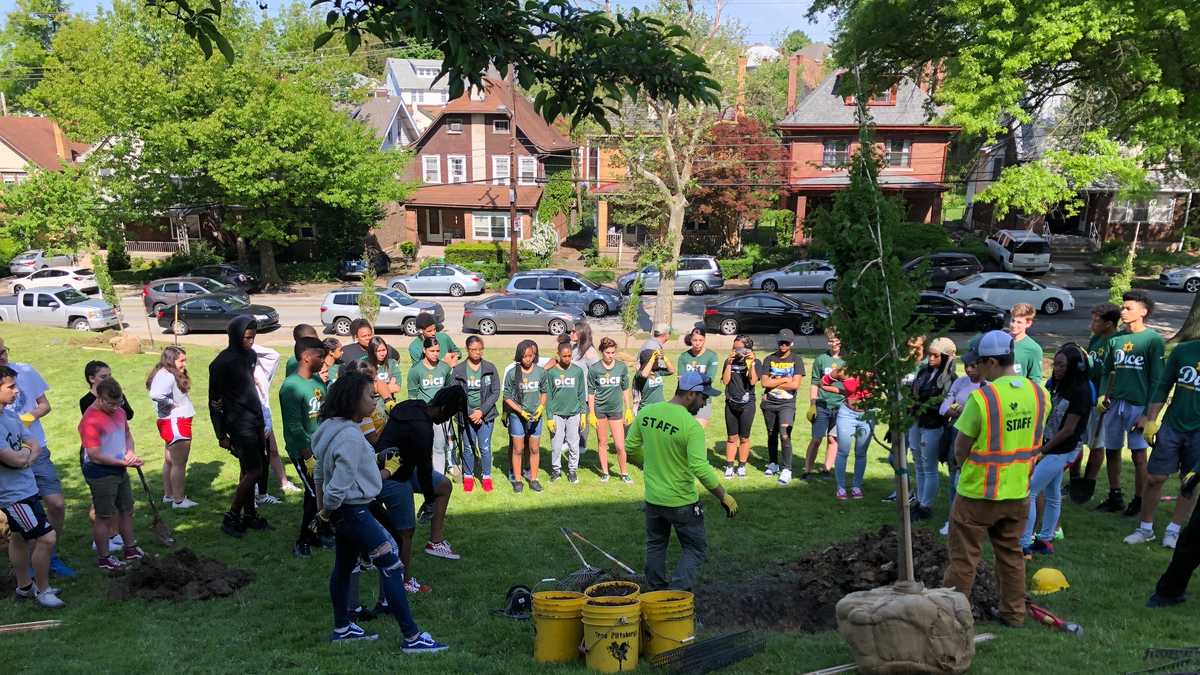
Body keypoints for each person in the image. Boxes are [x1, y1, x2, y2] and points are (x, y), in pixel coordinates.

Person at [311, 370, 448, 651]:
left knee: (344, 567)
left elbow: (322, 477)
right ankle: (412, 637)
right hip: (354, 512)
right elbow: (339, 483)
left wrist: (382, 471)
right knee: (392, 562)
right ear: (351, 400)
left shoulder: (328, 428)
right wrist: (326, 512)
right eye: (369, 396)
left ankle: (343, 628)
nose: (375, 399)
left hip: (344, 513)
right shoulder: (350, 435)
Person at [944, 330, 1050, 627]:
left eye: (979, 362)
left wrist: (967, 468)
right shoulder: (1039, 393)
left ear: (992, 361)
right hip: (1018, 492)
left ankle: (954, 618)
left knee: (964, 558)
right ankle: (1013, 614)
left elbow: (960, 448)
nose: (976, 368)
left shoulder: (983, 398)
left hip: (978, 493)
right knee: (1011, 555)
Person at [630, 371, 738, 591]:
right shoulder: (691, 426)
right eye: (703, 397)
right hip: (682, 502)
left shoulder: (647, 413)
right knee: (695, 549)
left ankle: (655, 595)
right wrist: (723, 495)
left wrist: (649, 464)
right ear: (690, 395)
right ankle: (675, 596)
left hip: (653, 499)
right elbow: (700, 467)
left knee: (656, 546)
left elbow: (630, 447)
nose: (705, 402)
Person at [375, 384, 464, 596]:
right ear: (442, 409)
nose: (447, 420)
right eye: (449, 415)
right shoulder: (423, 429)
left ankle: (435, 541)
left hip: (403, 467)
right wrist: (429, 501)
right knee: (406, 531)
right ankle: (404, 581)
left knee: (443, 485)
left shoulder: (413, 406)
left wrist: (431, 497)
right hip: (391, 475)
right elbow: (424, 470)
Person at [0, 337, 73, 576]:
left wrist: (21, 423)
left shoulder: (25, 372)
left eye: (4, 351)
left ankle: (51, 555)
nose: (2, 356)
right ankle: (25, 569)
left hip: (36, 449)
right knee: (18, 528)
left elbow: (44, 405)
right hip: (9, 462)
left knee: (56, 503)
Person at [1125, 333, 1200, 549]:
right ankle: (1145, 529)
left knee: (1190, 481)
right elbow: (1163, 384)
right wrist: (1150, 420)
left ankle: (1174, 530)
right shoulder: (1184, 350)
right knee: (1155, 477)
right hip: (1172, 425)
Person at [1094, 290, 1165, 516]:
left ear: (1143, 312)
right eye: (1123, 307)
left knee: (1138, 455)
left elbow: (1157, 380)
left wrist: (1147, 414)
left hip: (1138, 406)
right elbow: (1107, 371)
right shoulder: (1115, 339)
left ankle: (1139, 499)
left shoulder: (1153, 340)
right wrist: (1102, 395)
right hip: (1115, 404)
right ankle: (1115, 496)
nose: (1123, 312)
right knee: (1112, 450)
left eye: (1128, 308)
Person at [0, 364, 65, 608]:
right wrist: (25, 457)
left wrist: (24, 456)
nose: (17, 392)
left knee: (18, 537)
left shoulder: (8, 415)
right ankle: (43, 590)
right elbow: (14, 460)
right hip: (13, 495)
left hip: (26, 488)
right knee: (46, 538)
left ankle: (24, 586)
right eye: (11, 387)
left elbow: (32, 443)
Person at [1022, 344, 1091, 557]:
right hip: (1051, 445)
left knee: (1029, 491)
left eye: (1061, 365)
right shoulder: (1058, 385)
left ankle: (1024, 542)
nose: (1056, 368)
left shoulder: (1081, 391)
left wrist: (1043, 450)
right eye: (1055, 364)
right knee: (1052, 494)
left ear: (1075, 367)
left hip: (1062, 449)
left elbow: (1069, 429)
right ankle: (1045, 540)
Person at [209, 315, 270, 538]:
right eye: (246, 338)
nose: (250, 342)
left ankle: (250, 515)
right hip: (238, 423)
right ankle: (232, 515)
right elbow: (214, 401)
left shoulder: (251, 356)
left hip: (255, 420)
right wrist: (220, 433)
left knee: (249, 470)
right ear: (235, 336)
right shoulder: (220, 364)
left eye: (253, 337)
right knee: (256, 470)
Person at [80, 378, 146, 571]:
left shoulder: (120, 412)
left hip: (120, 467)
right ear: (99, 398)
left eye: (118, 403)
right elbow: (94, 455)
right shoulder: (90, 420)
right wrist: (122, 462)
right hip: (100, 472)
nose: (115, 407)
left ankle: (130, 548)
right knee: (104, 516)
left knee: (126, 509)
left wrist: (130, 452)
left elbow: (126, 435)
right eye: (110, 403)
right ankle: (104, 558)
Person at [279, 337, 329, 558]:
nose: (324, 361)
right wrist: (307, 455)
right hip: (303, 451)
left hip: (322, 448)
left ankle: (317, 534)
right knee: (312, 494)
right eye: (320, 356)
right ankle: (303, 541)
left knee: (323, 493)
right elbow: (294, 426)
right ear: (307, 357)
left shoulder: (318, 382)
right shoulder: (290, 387)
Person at [1070, 303, 1122, 502]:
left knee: (1096, 443)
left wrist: (1105, 396)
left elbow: (1113, 372)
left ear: (1109, 324)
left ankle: (1088, 484)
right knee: (1077, 439)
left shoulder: (1116, 341)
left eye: (1096, 321)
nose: (1092, 324)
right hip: (1086, 396)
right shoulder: (1096, 339)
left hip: (1102, 400)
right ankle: (1074, 479)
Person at [908, 337, 958, 520]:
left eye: (936, 355)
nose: (931, 358)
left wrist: (922, 405)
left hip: (933, 425)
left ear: (946, 357)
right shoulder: (923, 372)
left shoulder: (951, 379)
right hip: (916, 421)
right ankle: (919, 501)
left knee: (929, 467)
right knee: (918, 464)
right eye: (930, 354)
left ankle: (926, 506)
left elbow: (945, 406)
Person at [146, 346, 198, 510]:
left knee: (170, 461)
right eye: (181, 360)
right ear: (171, 360)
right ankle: (179, 500)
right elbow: (155, 395)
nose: (184, 363)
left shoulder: (164, 372)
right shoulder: (167, 375)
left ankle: (169, 495)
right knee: (179, 463)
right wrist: (172, 404)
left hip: (171, 422)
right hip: (177, 422)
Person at [937, 356, 984, 536]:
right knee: (955, 477)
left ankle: (972, 518)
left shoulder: (987, 385)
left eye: (973, 366)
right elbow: (944, 408)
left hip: (977, 438)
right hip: (957, 432)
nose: (969, 370)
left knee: (970, 479)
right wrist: (955, 410)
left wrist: (963, 411)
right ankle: (953, 518)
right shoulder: (960, 383)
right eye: (966, 366)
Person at [252, 340, 299, 503]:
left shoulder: (261, 372)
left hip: (265, 417)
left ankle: (283, 483)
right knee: (255, 458)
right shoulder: (240, 372)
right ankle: (255, 492)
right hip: (251, 421)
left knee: (272, 450)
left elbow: (274, 355)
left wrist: (249, 345)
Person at [453, 336, 500, 492]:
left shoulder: (490, 368)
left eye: (480, 349)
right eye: (473, 349)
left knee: (485, 447)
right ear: (467, 350)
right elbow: (455, 394)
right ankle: (468, 476)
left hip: (486, 416)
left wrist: (481, 411)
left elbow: (495, 392)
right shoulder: (458, 370)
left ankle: (486, 477)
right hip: (465, 416)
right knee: (468, 448)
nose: (477, 352)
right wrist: (471, 413)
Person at [760, 329, 805, 484]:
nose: (783, 345)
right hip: (769, 403)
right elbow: (764, 383)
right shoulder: (769, 359)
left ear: (791, 343)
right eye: (780, 342)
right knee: (771, 433)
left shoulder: (797, 360)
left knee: (785, 434)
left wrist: (776, 381)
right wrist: (785, 379)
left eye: (786, 342)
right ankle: (773, 463)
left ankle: (787, 469)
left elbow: (796, 385)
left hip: (787, 403)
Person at [505, 340, 548, 492]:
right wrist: (520, 411)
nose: (528, 359)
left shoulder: (540, 372)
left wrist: (541, 407)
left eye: (531, 356)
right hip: (517, 417)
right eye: (524, 357)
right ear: (519, 357)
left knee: (534, 448)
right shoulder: (512, 373)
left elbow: (544, 392)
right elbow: (507, 397)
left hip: (536, 417)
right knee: (518, 449)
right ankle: (517, 480)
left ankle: (534, 478)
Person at [588, 337, 633, 483]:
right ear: (602, 352)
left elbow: (625, 389)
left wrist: (628, 409)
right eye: (607, 352)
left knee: (620, 445)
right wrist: (592, 413)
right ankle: (605, 472)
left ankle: (624, 473)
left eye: (613, 352)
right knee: (602, 442)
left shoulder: (621, 367)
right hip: (600, 410)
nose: (610, 355)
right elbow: (591, 392)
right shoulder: (594, 369)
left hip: (616, 410)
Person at [408, 337, 455, 474]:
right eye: (432, 350)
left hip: (441, 415)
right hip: (423, 415)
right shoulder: (415, 370)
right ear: (424, 350)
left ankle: (439, 477)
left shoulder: (445, 368)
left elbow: (448, 390)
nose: (435, 354)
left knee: (439, 447)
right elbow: (412, 397)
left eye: (438, 351)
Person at [544, 342, 587, 483]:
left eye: (569, 356)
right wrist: (549, 417)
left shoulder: (577, 371)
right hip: (557, 414)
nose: (567, 358)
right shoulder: (551, 373)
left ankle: (572, 470)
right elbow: (548, 396)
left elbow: (581, 393)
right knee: (556, 445)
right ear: (558, 354)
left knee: (573, 444)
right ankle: (556, 470)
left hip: (574, 414)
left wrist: (583, 414)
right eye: (564, 356)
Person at [804, 328, 843, 479]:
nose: (834, 344)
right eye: (831, 341)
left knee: (833, 439)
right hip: (822, 405)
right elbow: (814, 382)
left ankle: (827, 469)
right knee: (816, 439)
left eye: (836, 340)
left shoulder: (847, 361)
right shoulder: (821, 359)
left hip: (840, 406)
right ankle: (808, 470)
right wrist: (813, 403)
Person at [829, 366, 872, 500]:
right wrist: (841, 391)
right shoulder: (845, 370)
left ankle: (856, 487)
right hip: (847, 414)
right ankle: (841, 488)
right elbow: (824, 382)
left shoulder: (875, 370)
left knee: (861, 452)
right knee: (843, 451)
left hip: (867, 414)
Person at [721, 335, 759, 478]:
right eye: (734, 348)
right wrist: (729, 363)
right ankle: (729, 466)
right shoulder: (729, 361)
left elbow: (753, 381)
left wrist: (751, 363)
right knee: (731, 437)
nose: (737, 351)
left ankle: (742, 466)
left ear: (748, 349)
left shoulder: (755, 361)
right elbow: (725, 381)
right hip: (731, 403)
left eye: (739, 348)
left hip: (747, 404)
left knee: (744, 438)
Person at [677, 328, 720, 428]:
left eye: (700, 340)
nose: (697, 343)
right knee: (683, 432)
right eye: (695, 340)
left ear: (704, 340)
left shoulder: (712, 356)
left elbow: (709, 379)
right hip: (685, 398)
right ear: (691, 340)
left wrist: (688, 378)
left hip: (703, 399)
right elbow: (681, 380)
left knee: (698, 432)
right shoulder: (684, 357)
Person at [571, 321, 601, 456]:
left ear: (581, 333)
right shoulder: (574, 348)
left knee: (582, 421)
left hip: (584, 396)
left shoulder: (590, 352)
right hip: (571, 393)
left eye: (573, 331)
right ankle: (571, 443)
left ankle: (581, 446)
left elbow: (597, 374)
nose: (570, 333)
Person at [365, 336, 404, 403]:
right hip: (370, 406)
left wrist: (375, 388)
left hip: (388, 404)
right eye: (378, 351)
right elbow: (364, 390)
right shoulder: (365, 365)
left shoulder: (392, 363)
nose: (382, 354)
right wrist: (389, 386)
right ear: (371, 352)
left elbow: (396, 388)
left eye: (384, 350)